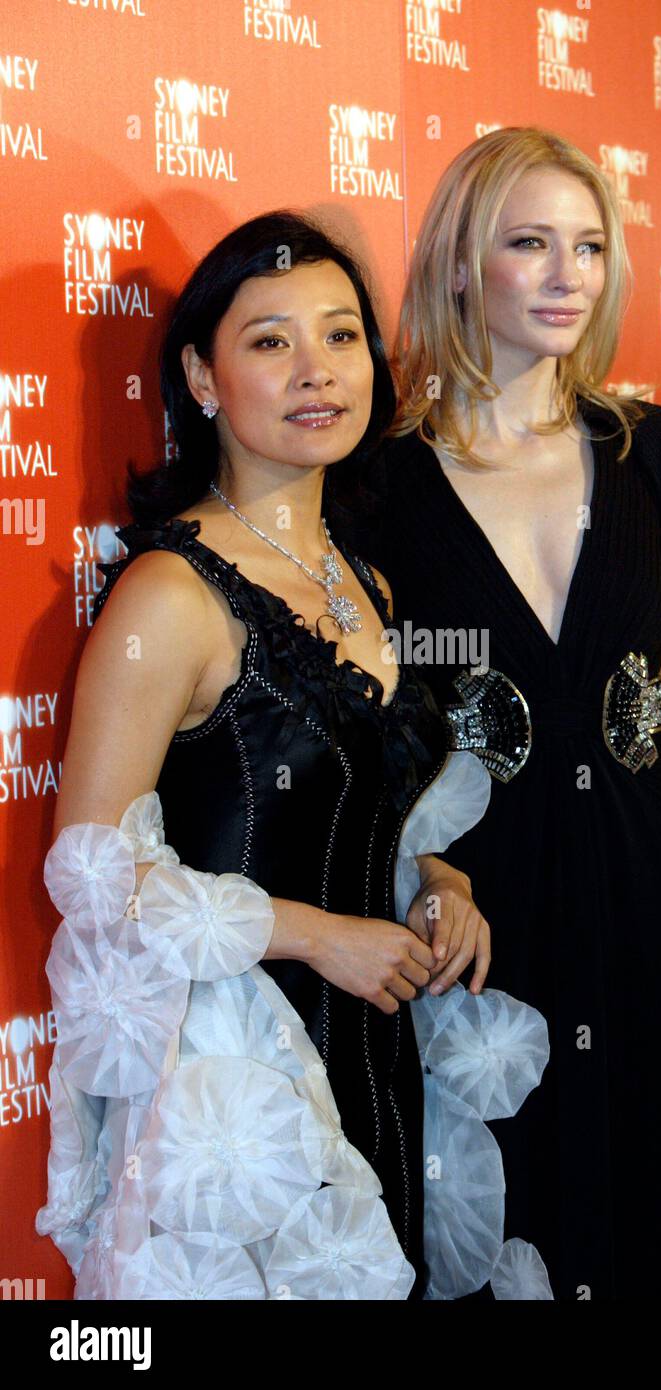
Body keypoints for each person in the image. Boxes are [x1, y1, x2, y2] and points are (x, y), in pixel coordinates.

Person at [35, 211, 552, 1301]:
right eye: (270, 340)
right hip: (244, 1085)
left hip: (380, 1055)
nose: (316, 371)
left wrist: (437, 882)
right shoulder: (167, 596)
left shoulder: (366, 580)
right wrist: (319, 939)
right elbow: (88, 871)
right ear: (201, 375)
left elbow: (371, 806)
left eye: (341, 335)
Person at [334, 127, 661, 1300]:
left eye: (586, 247)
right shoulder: (373, 487)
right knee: (524, 1222)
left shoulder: (657, 459)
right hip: (489, 911)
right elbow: (370, 740)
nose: (564, 275)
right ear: (455, 265)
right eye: (527, 243)